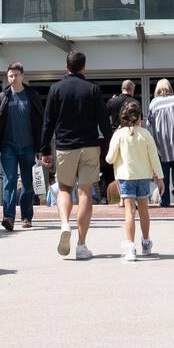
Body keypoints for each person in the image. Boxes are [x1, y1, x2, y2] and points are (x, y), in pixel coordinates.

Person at [40, 49, 110, 260]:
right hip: (89, 145)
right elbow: (103, 121)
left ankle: (64, 224)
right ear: (84, 67)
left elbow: (48, 121)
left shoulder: (56, 89)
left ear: (66, 66)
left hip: (65, 146)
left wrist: (45, 149)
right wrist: (112, 143)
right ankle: (81, 244)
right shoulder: (93, 89)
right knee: (85, 192)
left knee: (64, 188)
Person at [0, 63, 45, 231]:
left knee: (27, 184)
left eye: (16, 75)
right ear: (8, 77)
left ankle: (26, 217)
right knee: (10, 181)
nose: (13, 78)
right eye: (10, 76)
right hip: (8, 147)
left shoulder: (31, 95)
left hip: (28, 146)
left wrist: (41, 148)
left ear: (23, 76)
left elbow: (40, 123)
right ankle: (9, 217)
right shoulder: (3, 97)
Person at [106, 100, 164, 262]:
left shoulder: (118, 135)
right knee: (144, 210)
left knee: (129, 212)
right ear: (140, 118)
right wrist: (160, 178)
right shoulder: (145, 134)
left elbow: (110, 159)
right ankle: (146, 242)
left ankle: (130, 247)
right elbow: (154, 158)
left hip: (125, 177)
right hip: (143, 176)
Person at [145, 78, 174, 206]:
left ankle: (164, 201)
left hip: (161, 143)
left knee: (163, 172)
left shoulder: (153, 103)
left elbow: (149, 123)